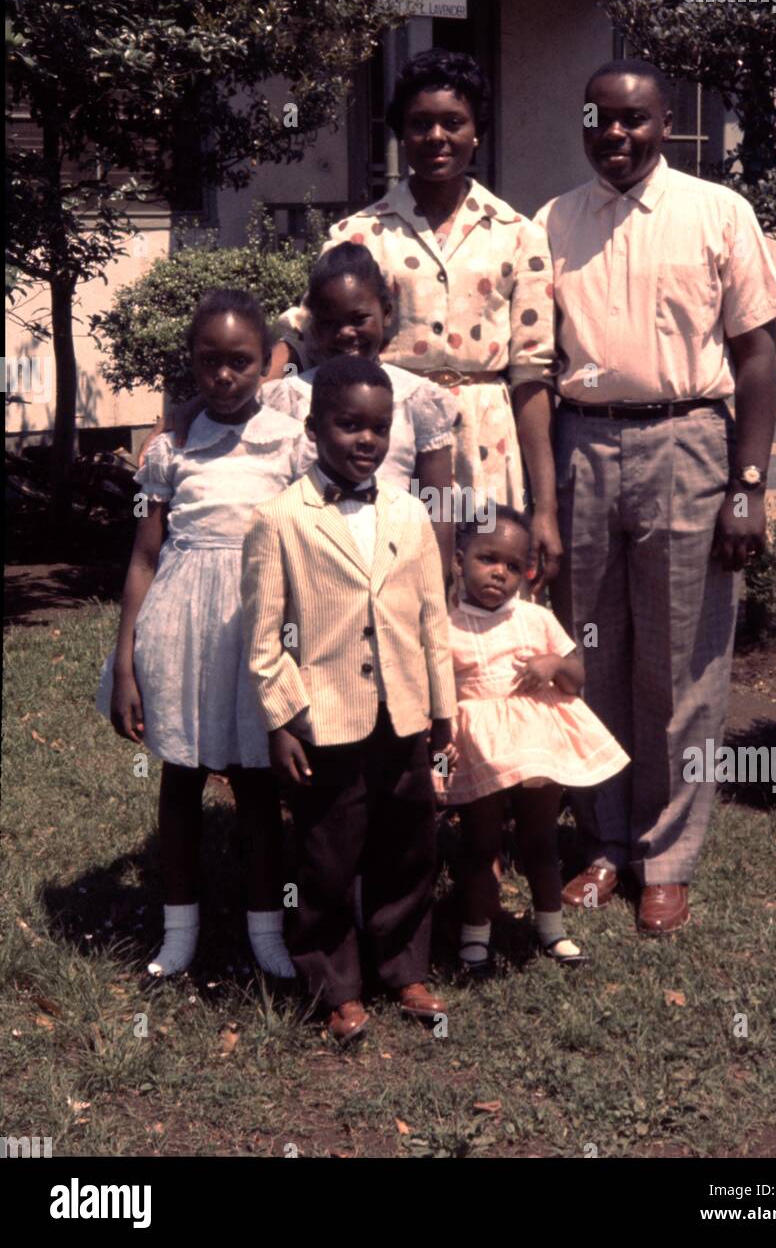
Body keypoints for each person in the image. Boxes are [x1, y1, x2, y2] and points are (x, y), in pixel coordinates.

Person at [535, 59, 776, 935]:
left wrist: (747, 485)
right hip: (581, 443)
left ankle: (666, 857)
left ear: (666, 122)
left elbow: (757, 356)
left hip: (688, 443)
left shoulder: (718, 213)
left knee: (679, 661)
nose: (615, 134)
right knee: (589, 655)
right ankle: (604, 842)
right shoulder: (553, 222)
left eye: (634, 120)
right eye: (599, 118)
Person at [277, 49, 562, 593]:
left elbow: (532, 373)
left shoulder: (518, 233)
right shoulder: (358, 235)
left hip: (486, 439)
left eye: (453, 122)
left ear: (477, 132)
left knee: (485, 596)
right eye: (420, 124)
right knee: (391, 587)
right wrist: (197, 410)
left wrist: (545, 507)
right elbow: (303, 335)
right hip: (389, 433)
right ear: (401, 136)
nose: (436, 136)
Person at [241, 355, 458, 1045]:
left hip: (404, 712)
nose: (364, 440)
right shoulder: (279, 520)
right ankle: (334, 983)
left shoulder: (407, 512)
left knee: (408, 846)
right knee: (327, 857)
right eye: (348, 425)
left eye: (378, 427)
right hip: (325, 718)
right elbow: (264, 638)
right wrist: (281, 721)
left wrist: (442, 705)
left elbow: (431, 618)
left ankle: (403, 966)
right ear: (313, 428)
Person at [97, 289, 305, 978]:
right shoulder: (171, 448)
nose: (223, 376)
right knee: (182, 776)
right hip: (179, 625)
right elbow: (145, 557)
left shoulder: (288, 441)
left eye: (240, 361)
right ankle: (178, 927)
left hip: (257, 627)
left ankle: (266, 928)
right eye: (209, 361)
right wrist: (126, 662)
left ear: (264, 362)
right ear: (190, 362)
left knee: (255, 783)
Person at [435, 507, 629, 975]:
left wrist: (552, 666)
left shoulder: (535, 619)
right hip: (479, 746)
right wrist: (439, 741)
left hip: (538, 741)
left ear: (527, 573)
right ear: (460, 561)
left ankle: (551, 929)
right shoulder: (445, 625)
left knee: (539, 839)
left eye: (513, 566)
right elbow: (436, 690)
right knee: (481, 843)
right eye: (487, 559)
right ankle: (476, 935)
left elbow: (576, 676)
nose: (499, 573)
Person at [262, 242, 458, 573]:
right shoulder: (289, 399)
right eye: (329, 323)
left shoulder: (416, 398)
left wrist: (436, 585)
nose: (345, 334)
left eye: (358, 319)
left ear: (386, 313)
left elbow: (439, 506)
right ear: (313, 327)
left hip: (395, 573)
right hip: (311, 573)